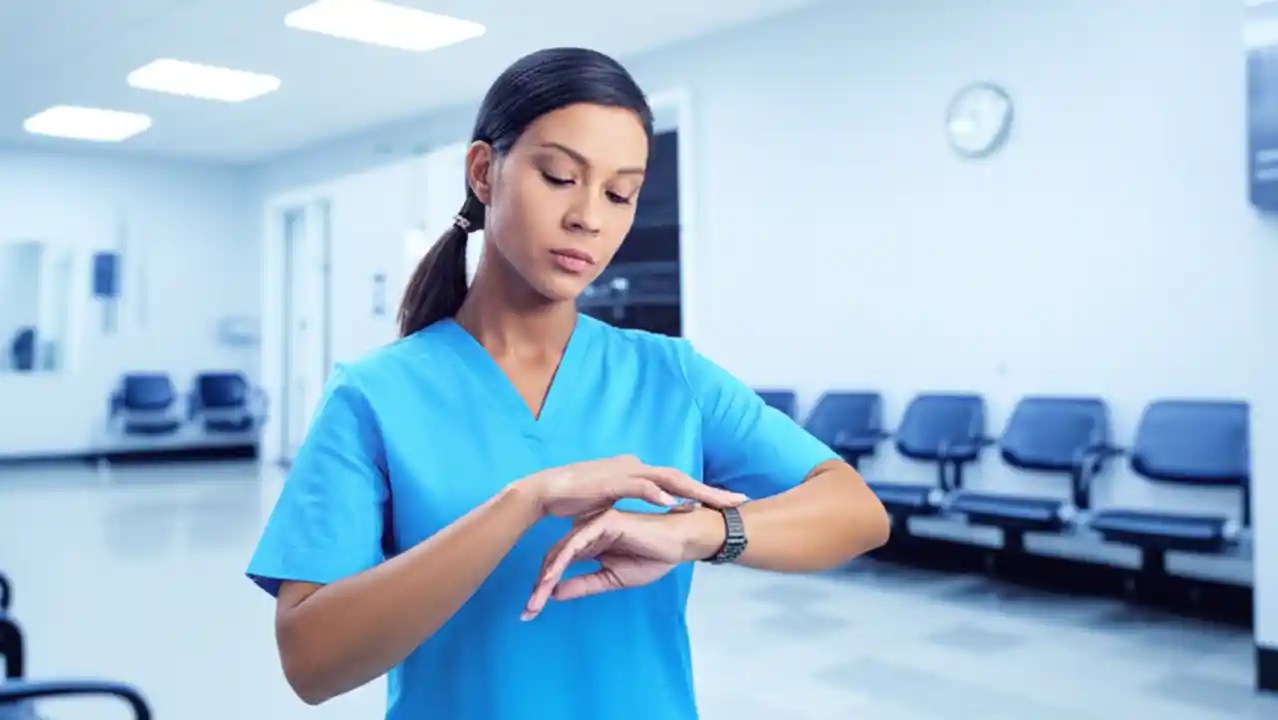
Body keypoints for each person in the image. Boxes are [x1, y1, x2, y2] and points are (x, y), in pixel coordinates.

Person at [245, 46, 891, 719]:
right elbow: (311, 662)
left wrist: (697, 533)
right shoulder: (375, 395)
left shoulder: (669, 376)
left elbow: (856, 512)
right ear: (483, 172)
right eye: (559, 177)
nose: (590, 216)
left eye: (620, 194)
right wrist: (525, 502)